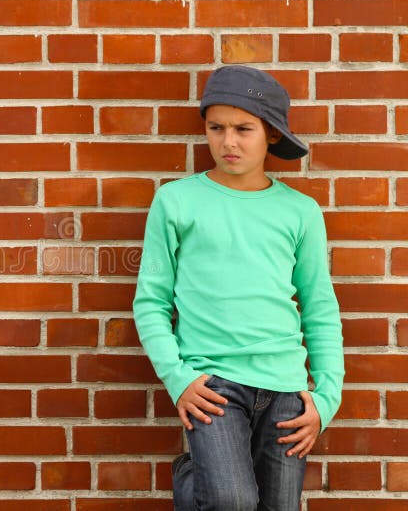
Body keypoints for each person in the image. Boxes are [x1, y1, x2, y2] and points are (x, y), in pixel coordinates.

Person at [132, 65, 344, 510]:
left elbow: (319, 307)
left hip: (286, 390)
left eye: (244, 129)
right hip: (213, 385)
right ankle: (195, 482)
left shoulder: (299, 212)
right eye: (217, 128)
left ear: (270, 134)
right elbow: (151, 301)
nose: (228, 142)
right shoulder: (176, 201)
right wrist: (178, 378)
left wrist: (326, 398)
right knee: (231, 501)